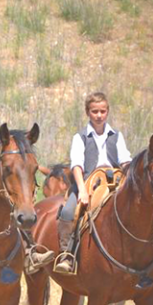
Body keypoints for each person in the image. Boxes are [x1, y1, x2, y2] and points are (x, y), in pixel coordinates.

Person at [54, 92, 132, 274]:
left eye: (102, 111)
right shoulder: (80, 137)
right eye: (95, 111)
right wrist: (81, 190)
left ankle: (150, 254)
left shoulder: (116, 136)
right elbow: (76, 166)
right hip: (88, 181)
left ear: (108, 112)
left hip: (115, 181)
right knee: (68, 211)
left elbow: (125, 161)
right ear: (87, 112)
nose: (99, 115)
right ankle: (67, 254)